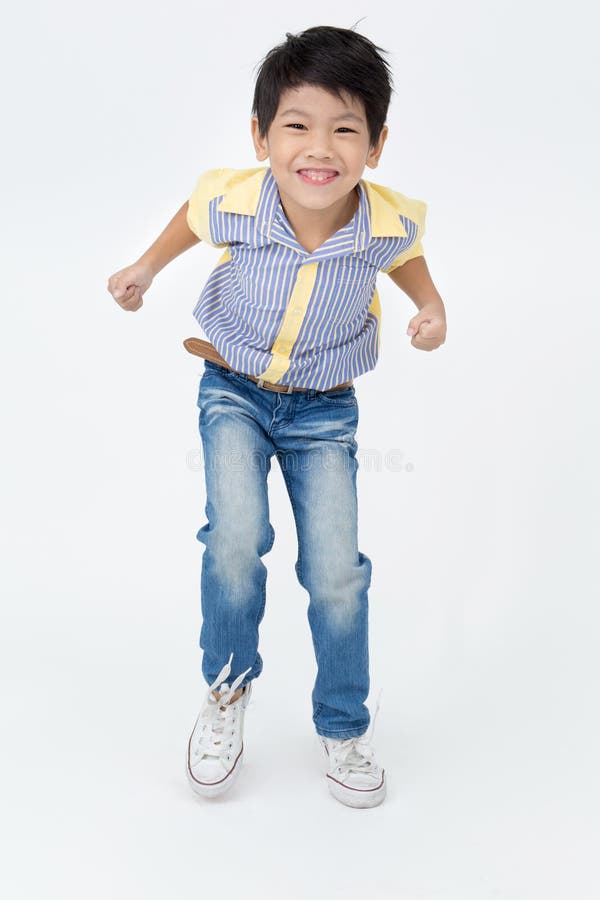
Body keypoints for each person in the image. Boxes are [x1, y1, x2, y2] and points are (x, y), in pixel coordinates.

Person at [106, 24, 447, 809]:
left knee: (336, 572)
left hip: (324, 411)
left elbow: (410, 266)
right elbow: (191, 219)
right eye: (296, 125)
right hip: (232, 389)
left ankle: (343, 723)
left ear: (377, 144)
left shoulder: (385, 223)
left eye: (345, 128)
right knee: (235, 538)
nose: (318, 147)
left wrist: (432, 310)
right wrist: (144, 270)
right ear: (261, 136)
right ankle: (227, 690)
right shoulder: (236, 198)